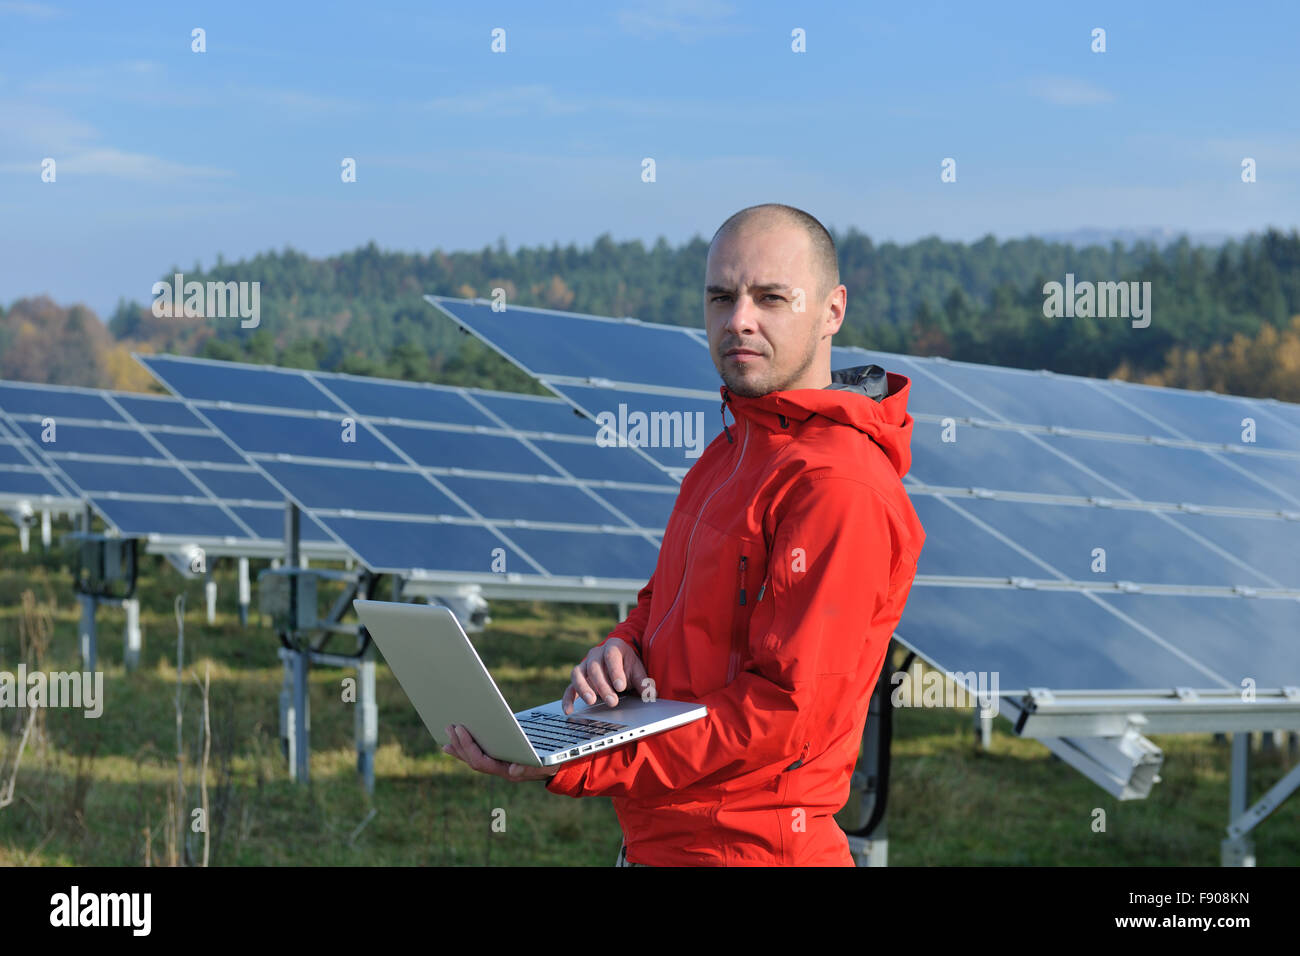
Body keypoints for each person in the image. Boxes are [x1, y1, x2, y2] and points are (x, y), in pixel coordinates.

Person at [442, 203, 926, 866]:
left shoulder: (837, 487)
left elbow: (783, 716)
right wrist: (621, 648)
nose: (739, 321)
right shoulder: (730, 454)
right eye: (721, 297)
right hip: (667, 844)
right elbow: (662, 602)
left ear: (833, 310)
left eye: (771, 298)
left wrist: (581, 759)